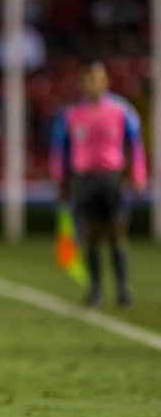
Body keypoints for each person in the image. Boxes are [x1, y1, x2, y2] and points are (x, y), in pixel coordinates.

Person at [50, 60, 147, 308]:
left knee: (117, 233)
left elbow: (135, 145)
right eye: (88, 79)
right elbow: (60, 149)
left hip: (111, 178)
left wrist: (138, 174)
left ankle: (123, 288)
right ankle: (95, 289)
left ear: (106, 81)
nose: (93, 83)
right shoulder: (70, 115)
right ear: (82, 83)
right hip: (84, 180)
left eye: (97, 78)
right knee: (90, 236)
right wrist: (60, 178)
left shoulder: (122, 111)